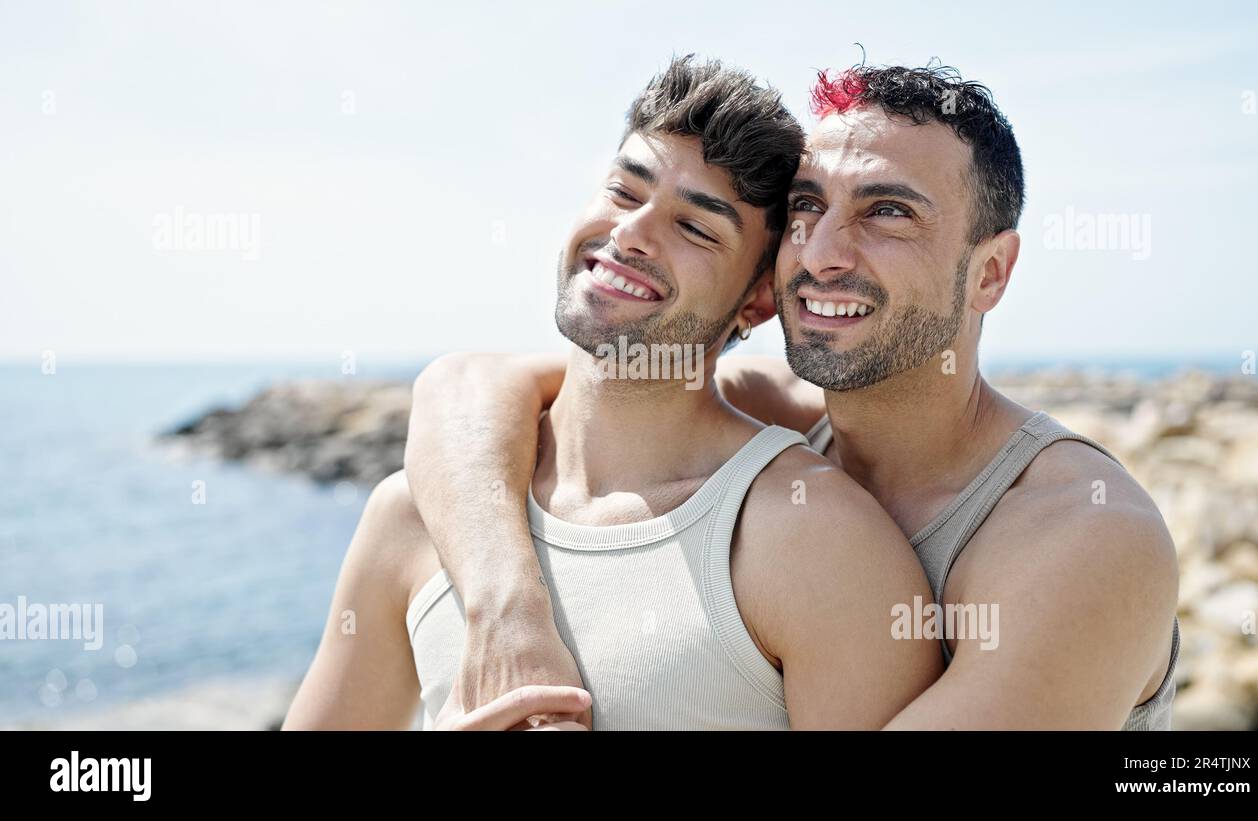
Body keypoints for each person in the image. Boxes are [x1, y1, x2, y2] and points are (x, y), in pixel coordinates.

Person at [404, 61, 1180, 730]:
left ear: (990, 273)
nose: (822, 252)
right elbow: (464, 388)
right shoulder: (781, 419)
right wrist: (507, 609)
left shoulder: (1083, 534)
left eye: (887, 212)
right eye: (807, 207)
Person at [283, 55, 941, 731]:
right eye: (625, 192)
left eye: (695, 228)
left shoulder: (819, 543)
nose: (630, 234)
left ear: (759, 299)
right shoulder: (414, 513)